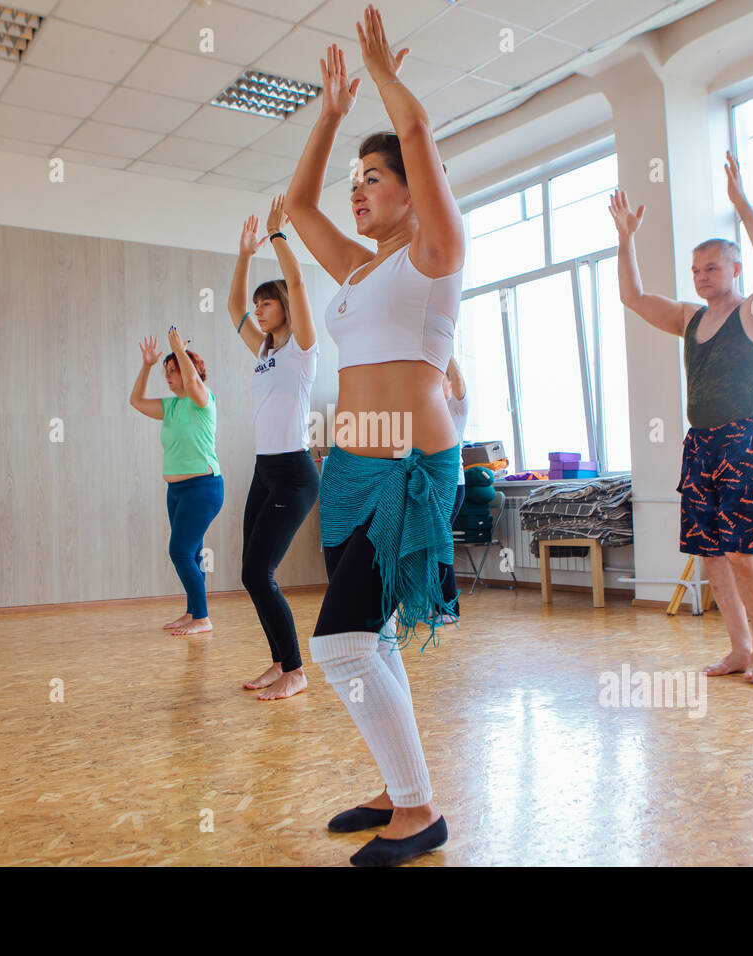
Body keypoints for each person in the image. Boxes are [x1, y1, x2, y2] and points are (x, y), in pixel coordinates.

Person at [284, 5, 464, 867]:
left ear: (410, 187)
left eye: (373, 175)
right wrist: (326, 117)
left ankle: (420, 811)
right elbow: (294, 204)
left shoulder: (435, 252)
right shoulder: (359, 270)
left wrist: (383, 79)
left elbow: (419, 128)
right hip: (356, 467)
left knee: (342, 640)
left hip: (410, 468)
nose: (358, 189)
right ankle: (400, 789)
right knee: (374, 637)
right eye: (356, 176)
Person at [609, 149, 753, 683]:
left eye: (712, 267)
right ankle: (738, 647)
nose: (702, 276)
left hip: (747, 438)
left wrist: (741, 202)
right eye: (695, 270)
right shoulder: (690, 318)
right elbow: (634, 298)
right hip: (701, 442)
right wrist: (625, 238)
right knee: (711, 554)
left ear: (734, 269)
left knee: (739, 549)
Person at [228, 196, 321, 701]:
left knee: (256, 571)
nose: (258, 310)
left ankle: (296, 671)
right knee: (251, 572)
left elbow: (301, 283)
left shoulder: (301, 351)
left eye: (267, 302)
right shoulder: (263, 351)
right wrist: (245, 253)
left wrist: (278, 236)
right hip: (265, 471)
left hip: (294, 474)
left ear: (285, 306)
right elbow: (231, 308)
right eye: (258, 304)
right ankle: (279, 661)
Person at [128, 328, 224, 637]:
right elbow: (136, 400)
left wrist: (179, 351)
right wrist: (147, 365)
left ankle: (203, 618)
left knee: (180, 551)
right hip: (177, 491)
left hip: (204, 487)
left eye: (173, 371)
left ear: (188, 371)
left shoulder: (203, 400)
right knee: (192, 553)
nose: (168, 376)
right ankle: (193, 611)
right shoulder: (171, 407)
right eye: (166, 371)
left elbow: (194, 382)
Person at [439, 356, 467, 623]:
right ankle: (436, 605)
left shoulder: (456, 409)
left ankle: (448, 608)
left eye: (442, 379)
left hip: (452, 484)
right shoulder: (426, 410)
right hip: (431, 486)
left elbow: (458, 380)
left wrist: (443, 347)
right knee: (428, 544)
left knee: (439, 541)